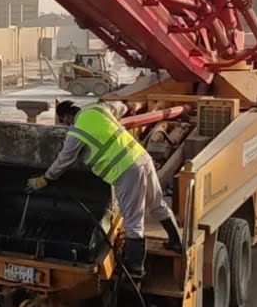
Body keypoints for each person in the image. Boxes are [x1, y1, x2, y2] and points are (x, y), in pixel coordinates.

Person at [25, 100, 184, 280]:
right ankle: (176, 242)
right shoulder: (98, 109)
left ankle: (135, 267)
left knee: (132, 219)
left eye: (63, 121)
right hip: (141, 158)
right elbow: (122, 107)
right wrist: (129, 107)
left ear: (67, 117)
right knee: (157, 203)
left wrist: (46, 178)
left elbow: (64, 160)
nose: (65, 125)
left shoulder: (76, 132)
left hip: (125, 170)